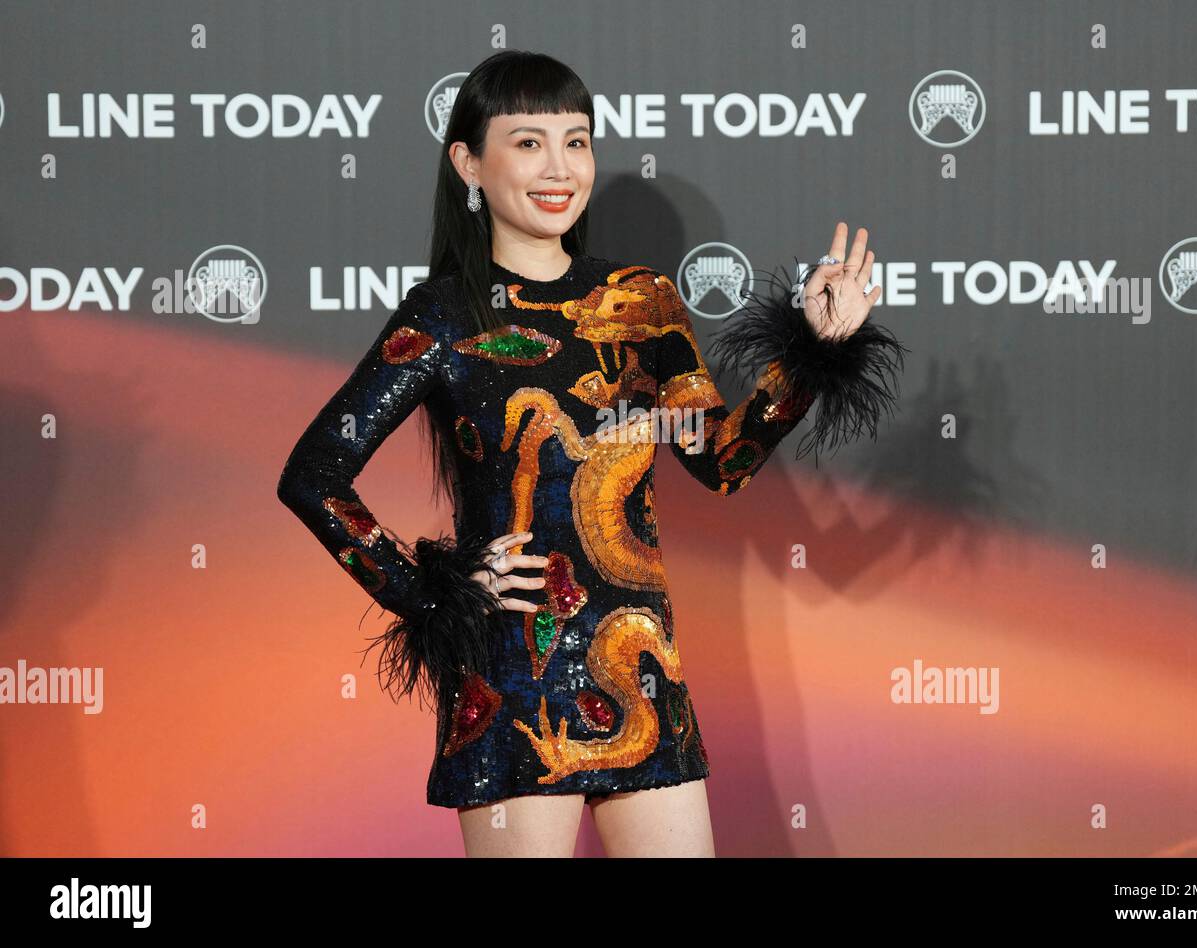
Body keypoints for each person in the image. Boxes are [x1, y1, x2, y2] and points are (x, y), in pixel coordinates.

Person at [276, 50, 906, 857]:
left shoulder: (642, 300)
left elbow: (720, 460)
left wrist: (814, 352)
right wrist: (435, 592)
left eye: (576, 141)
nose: (559, 167)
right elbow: (315, 474)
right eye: (529, 142)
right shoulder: (442, 315)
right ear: (469, 162)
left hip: (645, 667)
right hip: (512, 675)